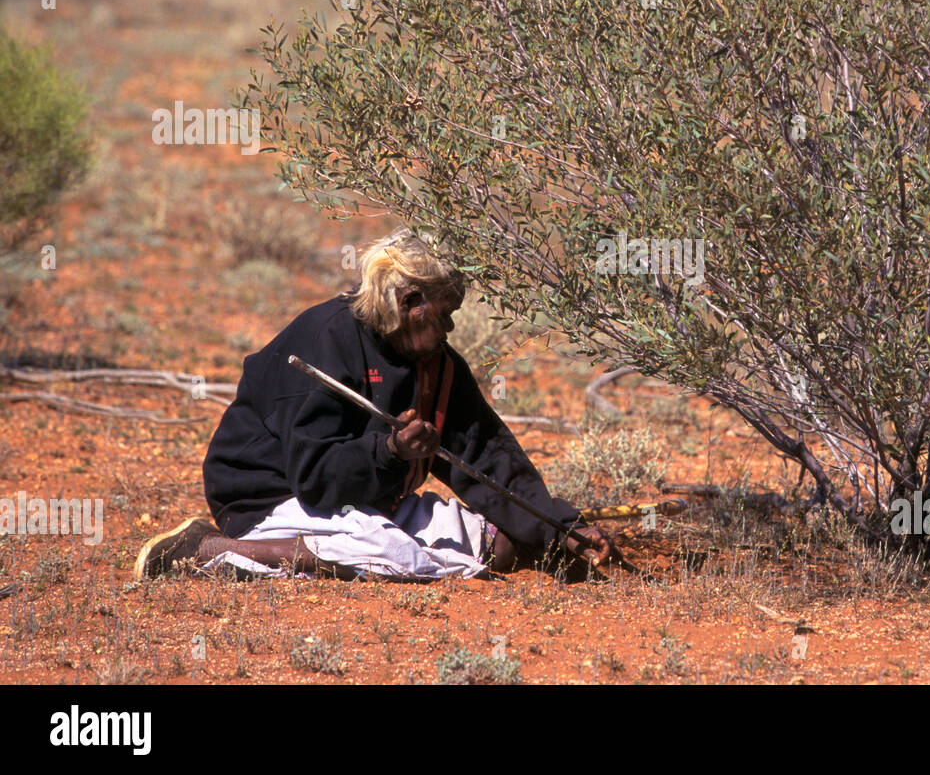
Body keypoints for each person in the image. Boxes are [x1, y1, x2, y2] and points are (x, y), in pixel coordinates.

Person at [133, 228, 614, 581]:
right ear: (408, 300)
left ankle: (344, 545)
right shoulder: (328, 340)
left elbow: (489, 460)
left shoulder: (439, 365)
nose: (449, 330)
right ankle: (206, 548)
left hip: (371, 502)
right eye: (443, 316)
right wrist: (389, 452)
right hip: (274, 498)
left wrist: (559, 529)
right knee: (389, 553)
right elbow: (316, 479)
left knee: (502, 545)